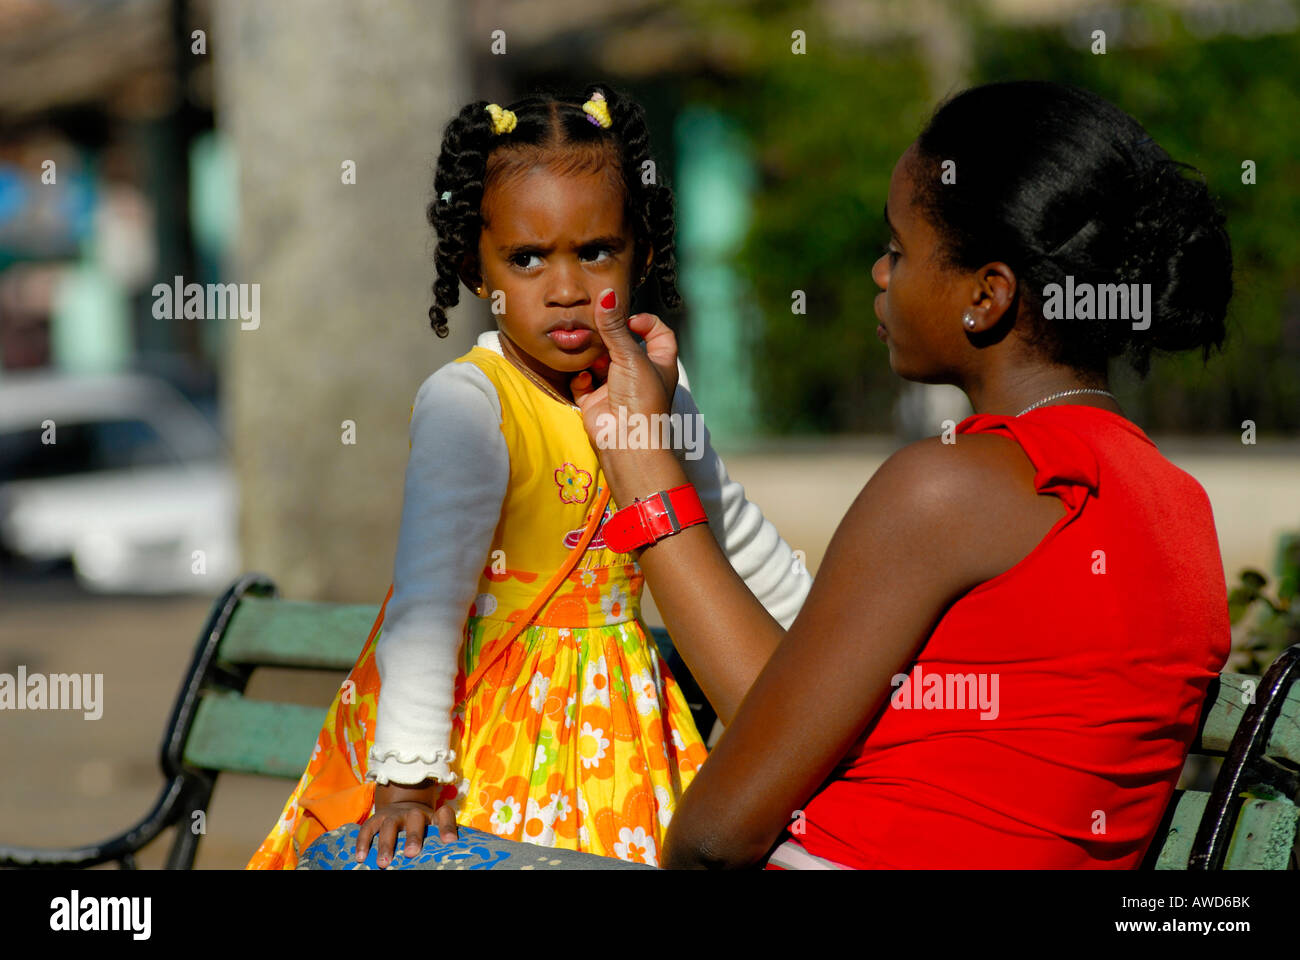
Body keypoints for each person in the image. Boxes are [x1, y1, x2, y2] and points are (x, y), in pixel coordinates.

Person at [568, 79, 1235, 869]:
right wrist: (645, 456)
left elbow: (710, 839)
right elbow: (793, 735)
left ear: (987, 296)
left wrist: (641, 475)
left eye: (898, 249)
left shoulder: (949, 488)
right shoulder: (1180, 508)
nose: (880, 275)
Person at [246, 85, 811, 871]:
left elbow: (735, 538)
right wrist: (408, 785)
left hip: (624, 737)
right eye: (527, 258)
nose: (566, 287)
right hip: (486, 744)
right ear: (475, 270)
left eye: (597, 251)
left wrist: (835, 653)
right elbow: (428, 608)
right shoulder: (470, 404)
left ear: (643, 254)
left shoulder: (659, 392)